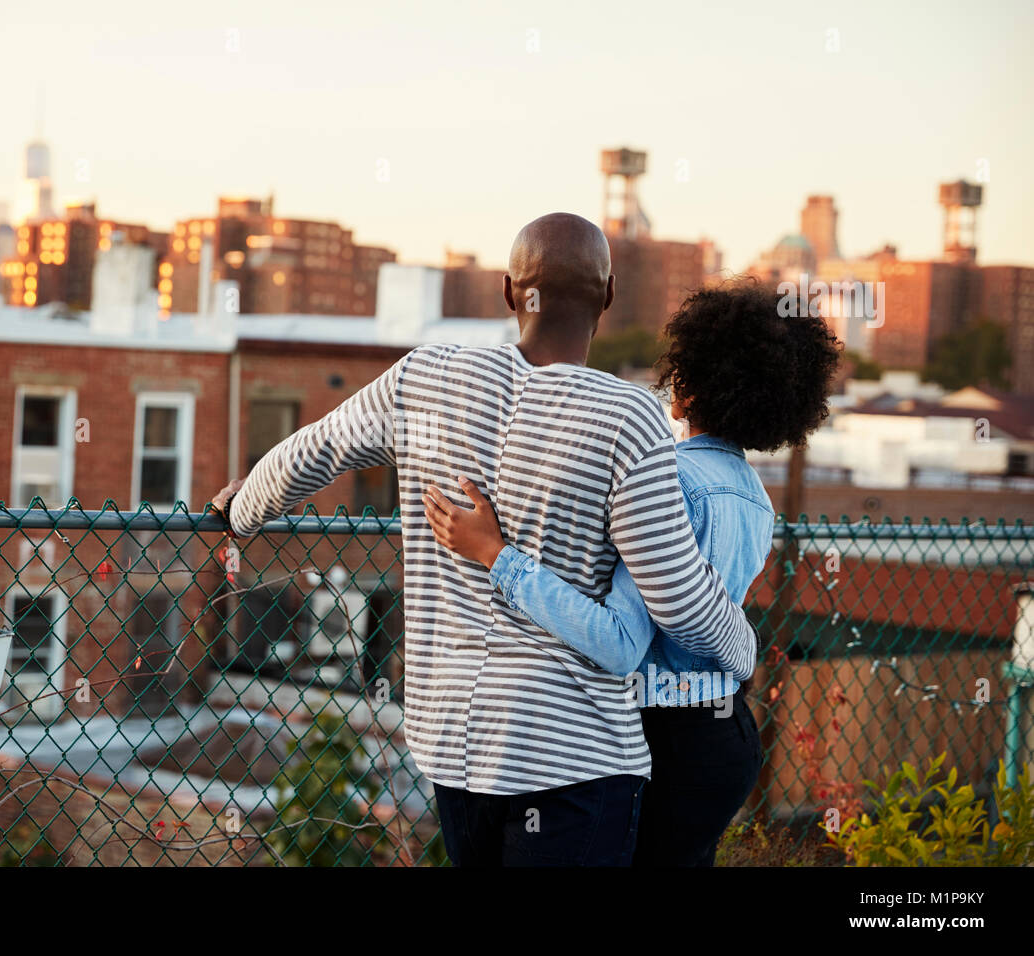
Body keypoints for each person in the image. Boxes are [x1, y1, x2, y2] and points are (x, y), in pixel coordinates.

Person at [212, 213, 755, 866]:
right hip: (572, 761)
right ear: (608, 297)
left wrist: (241, 507)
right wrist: (743, 648)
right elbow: (678, 601)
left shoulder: (424, 379)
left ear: (509, 292)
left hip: (456, 752)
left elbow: (315, 449)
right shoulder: (626, 416)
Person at [423, 280, 841, 866]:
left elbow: (621, 635)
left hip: (656, 733)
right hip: (725, 738)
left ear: (684, 388)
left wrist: (498, 556)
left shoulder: (660, 479)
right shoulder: (755, 499)